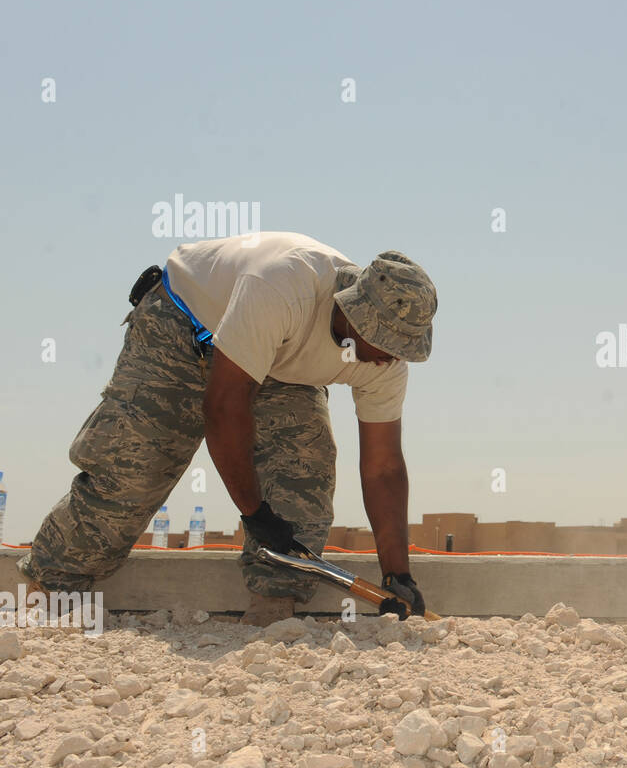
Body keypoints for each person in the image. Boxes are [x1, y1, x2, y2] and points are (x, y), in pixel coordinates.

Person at [19, 232, 437, 625]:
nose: (392, 357)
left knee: (303, 468)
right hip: (183, 325)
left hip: (277, 358)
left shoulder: (387, 361)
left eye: (404, 347)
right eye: (386, 343)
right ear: (354, 315)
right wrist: (254, 513)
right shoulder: (281, 287)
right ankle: (51, 588)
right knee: (133, 470)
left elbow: (383, 465)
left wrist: (398, 574)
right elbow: (223, 408)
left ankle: (275, 607)